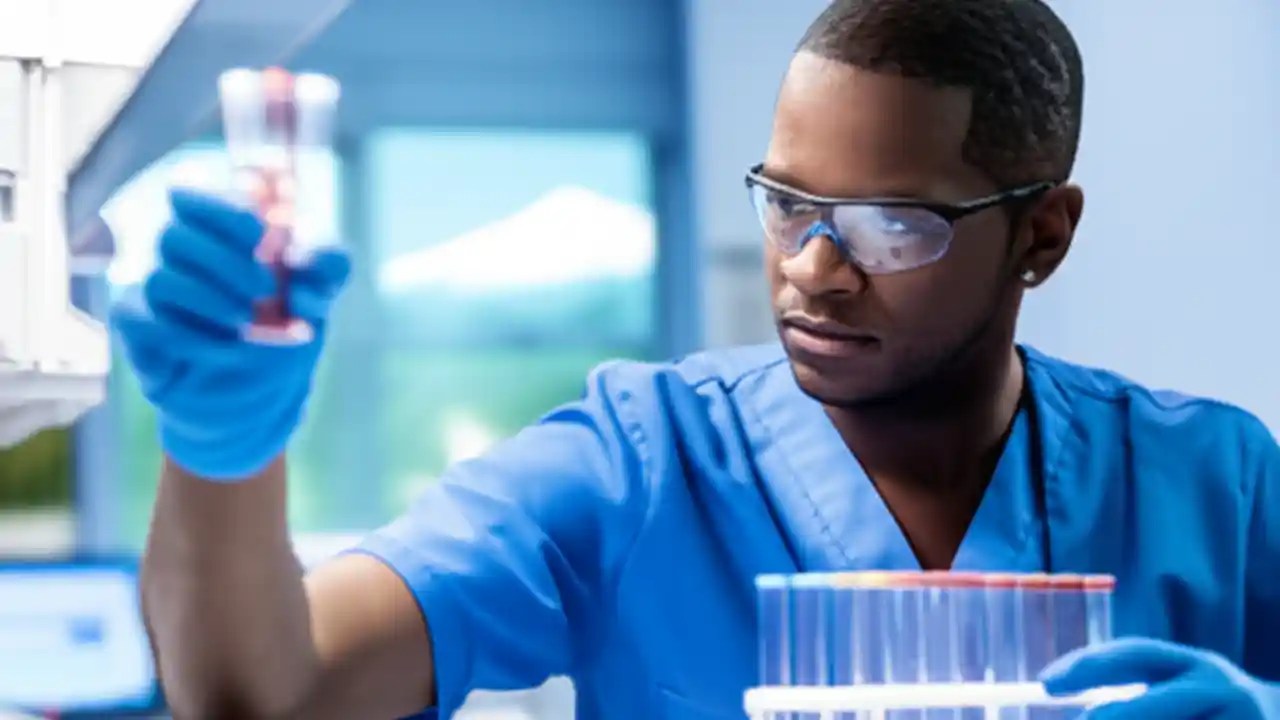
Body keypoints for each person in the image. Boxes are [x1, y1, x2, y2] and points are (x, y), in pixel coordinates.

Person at [111, 0, 1280, 718]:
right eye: (786, 204)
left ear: (1040, 235)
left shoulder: (1213, 484)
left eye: (889, 225)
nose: (813, 268)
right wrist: (221, 452)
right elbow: (269, 693)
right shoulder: (636, 466)